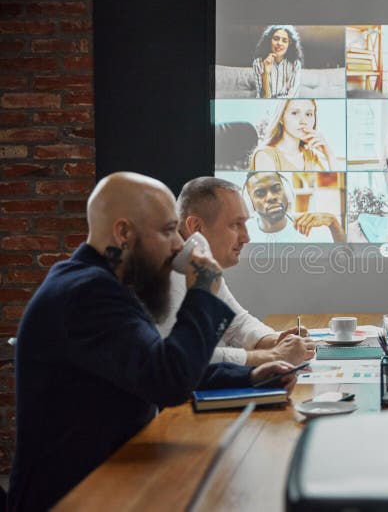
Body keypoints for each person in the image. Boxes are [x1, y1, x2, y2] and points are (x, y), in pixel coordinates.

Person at [8, 172, 299, 512]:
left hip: (115, 479)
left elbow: (152, 364)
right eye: (166, 232)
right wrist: (203, 291)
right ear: (123, 233)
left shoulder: (106, 284)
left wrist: (251, 377)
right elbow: (167, 380)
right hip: (75, 497)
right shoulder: (86, 294)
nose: (178, 246)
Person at [157, 177, 316, 365]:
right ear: (196, 228)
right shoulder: (164, 279)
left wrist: (275, 340)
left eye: (245, 224)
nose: (246, 238)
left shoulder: (200, 266)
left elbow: (237, 324)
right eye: (235, 225)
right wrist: (275, 356)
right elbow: (185, 358)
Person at [244, 171, 346, 243]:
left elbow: (344, 265)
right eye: (260, 193)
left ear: (287, 192)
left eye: (276, 188)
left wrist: (334, 224)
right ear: (250, 201)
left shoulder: (311, 231)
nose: (271, 197)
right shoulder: (240, 235)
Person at [249, 99, 334, 171]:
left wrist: (329, 154)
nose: (303, 121)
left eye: (308, 114)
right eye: (295, 113)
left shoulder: (310, 155)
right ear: (281, 118)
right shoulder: (265, 155)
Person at [252, 24, 303, 98]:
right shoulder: (258, 63)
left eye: (284, 41)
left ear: (289, 44)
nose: (279, 43)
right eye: (276, 39)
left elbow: (293, 96)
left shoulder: (295, 64)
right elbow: (263, 98)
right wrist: (265, 73)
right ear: (269, 41)